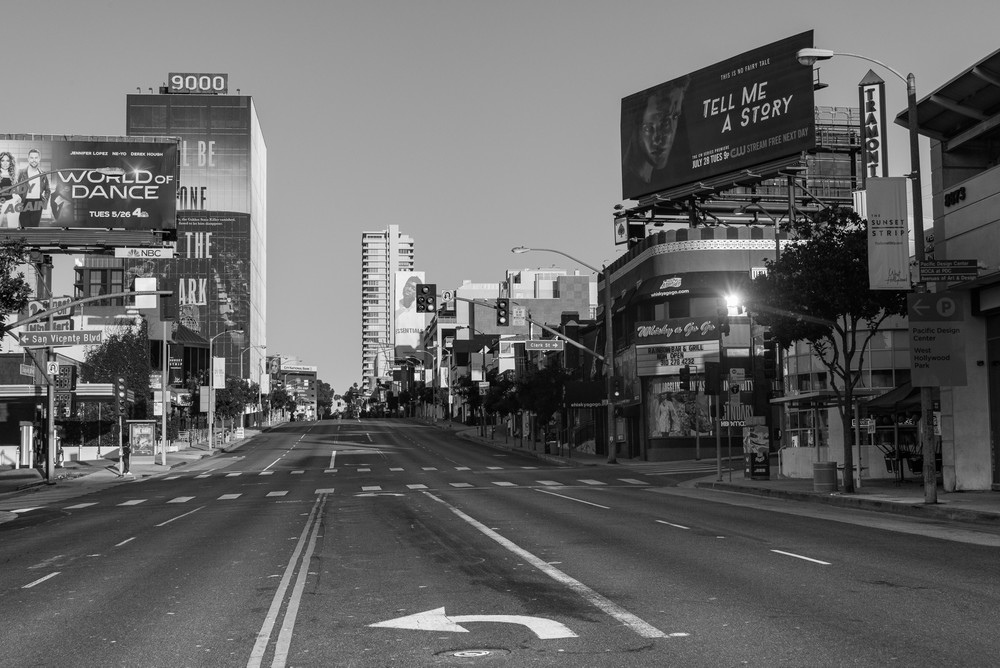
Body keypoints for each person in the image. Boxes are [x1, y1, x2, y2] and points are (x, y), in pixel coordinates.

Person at [621, 77, 690, 199]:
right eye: (659, 121)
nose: (667, 135)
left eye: (675, 117)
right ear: (638, 121)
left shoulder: (660, 181)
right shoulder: (631, 183)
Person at [15, 148, 50, 228]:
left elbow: (47, 190)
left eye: (36, 158)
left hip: (38, 203)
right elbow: (14, 186)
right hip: (24, 202)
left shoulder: (43, 174)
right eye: (31, 158)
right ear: (28, 159)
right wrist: (17, 197)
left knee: (34, 228)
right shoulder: (21, 172)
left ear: (39, 159)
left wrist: (45, 201)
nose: (34, 160)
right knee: (24, 228)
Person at [0, 151, 18, 228]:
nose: (5, 163)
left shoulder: (14, 174)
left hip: (11, 202)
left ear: (11, 162)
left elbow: (15, 189)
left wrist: (17, 196)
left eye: (7, 161)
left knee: (13, 226)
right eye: (2, 160)